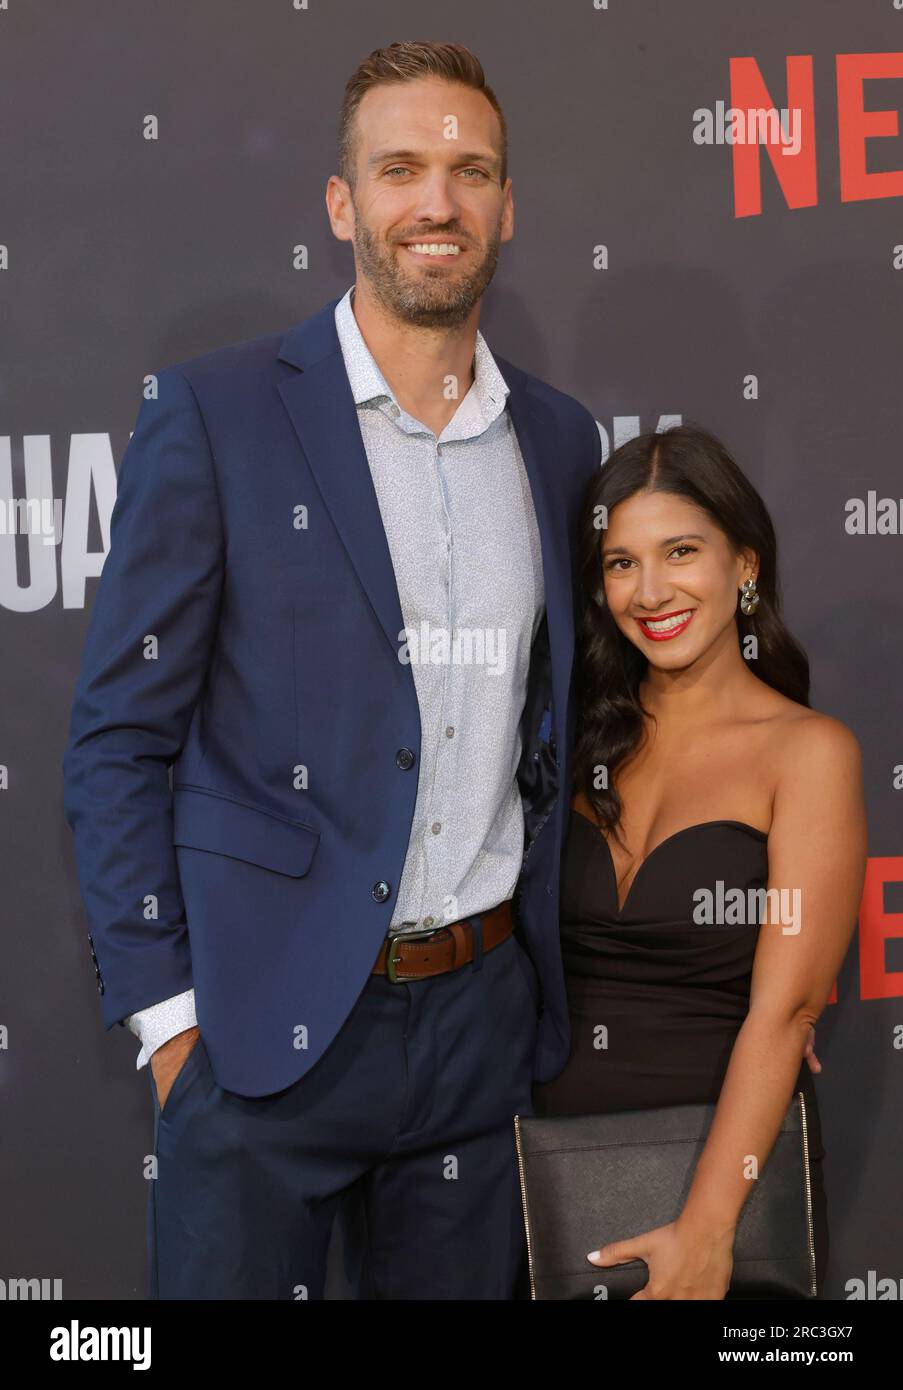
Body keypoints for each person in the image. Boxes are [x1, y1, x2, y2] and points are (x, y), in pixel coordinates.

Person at [62, 40, 602, 1300]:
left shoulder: (561, 441)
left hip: (477, 1033)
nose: (438, 202)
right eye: (401, 167)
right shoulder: (220, 413)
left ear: (507, 207)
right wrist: (170, 1023)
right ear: (343, 204)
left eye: (471, 171)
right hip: (260, 1034)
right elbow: (118, 736)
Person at [531, 423, 867, 1300]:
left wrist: (705, 1233)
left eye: (680, 551)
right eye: (619, 562)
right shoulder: (568, 741)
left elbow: (788, 1012)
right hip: (542, 1179)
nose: (651, 591)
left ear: (743, 564)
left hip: (724, 1191)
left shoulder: (806, 753)